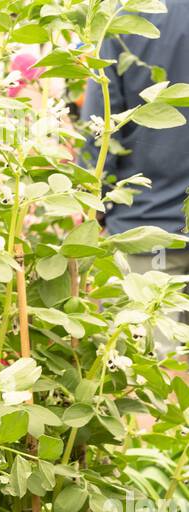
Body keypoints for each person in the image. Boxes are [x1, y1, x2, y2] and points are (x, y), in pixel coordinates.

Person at [80, 2, 189, 320]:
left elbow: (100, 127)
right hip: (152, 220)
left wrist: (92, 203)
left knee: (147, 357)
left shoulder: (125, 13)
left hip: (147, 223)